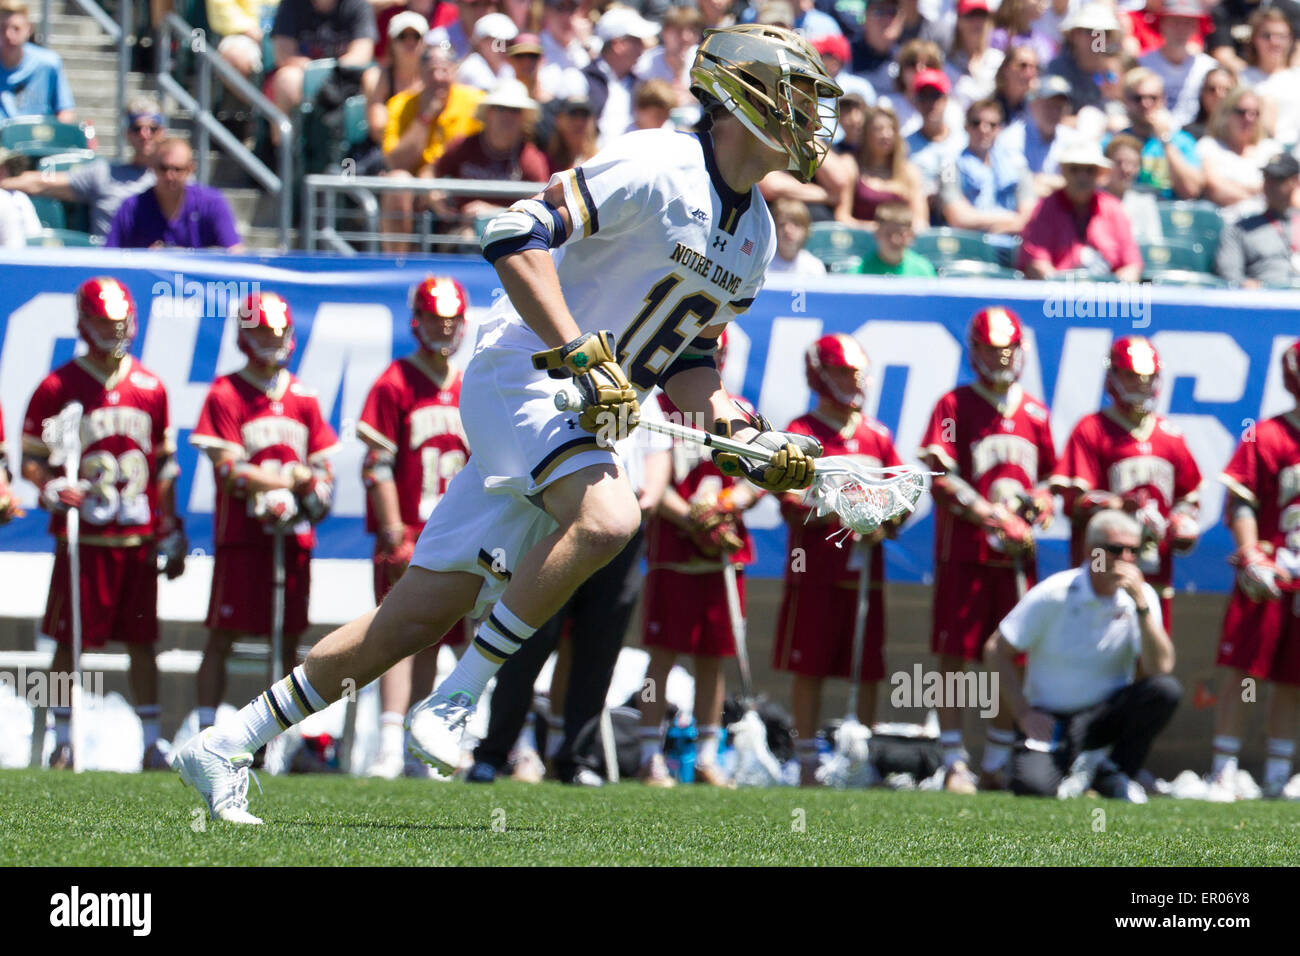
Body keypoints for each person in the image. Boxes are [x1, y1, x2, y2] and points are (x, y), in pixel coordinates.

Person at [171, 23, 842, 824]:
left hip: (585, 412)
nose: (811, 120)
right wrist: (580, 353)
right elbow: (510, 233)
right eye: (798, 96)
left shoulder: (757, 235)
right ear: (744, 93)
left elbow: (689, 363)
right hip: (525, 370)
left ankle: (225, 742)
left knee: (412, 619)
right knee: (609, 517)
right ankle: (457, 701)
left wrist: (748, 437)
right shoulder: (660, 164)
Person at [20, 277, 185, 770]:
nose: (114, 331)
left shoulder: (151, 387)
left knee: (142, 642)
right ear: (83, 322)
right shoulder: (58, 386)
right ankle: (60, 737)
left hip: (134, 537)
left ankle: (152, 740)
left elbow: (163, 467)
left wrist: (170, 524)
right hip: (83, 539)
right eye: (104, 322)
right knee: (68, 644)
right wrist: (48, 486)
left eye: (120, 321)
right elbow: (32, 458)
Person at [470, 394, 672, 786]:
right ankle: (495, 753)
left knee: (599, 648)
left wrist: (650, 495)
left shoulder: (639, 386)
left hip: (621, 533)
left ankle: (576, 759)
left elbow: (658, 446)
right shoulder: (557, 383)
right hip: (558, 524)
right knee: (526, 641)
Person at [188, 292, 340, 743]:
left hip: (293, 537)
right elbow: (228, 469)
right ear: (243, 334)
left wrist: (309, 486)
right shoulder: (225, 392)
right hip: (242, 535)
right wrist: (282, 483)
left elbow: (324, 471)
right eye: (261, 331)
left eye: (276, 331)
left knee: (288, 638)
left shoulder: (304, 398)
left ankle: (274, 735)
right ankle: (203, 728)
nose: (271, 340)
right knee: (223, 632)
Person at [918, 306, 1056, 793]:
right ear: (973, 350)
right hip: (965, 552)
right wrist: (988, 513)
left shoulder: (1036, 413)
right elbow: (939, 473)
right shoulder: (953, 405)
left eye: (1008, 349)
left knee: (1012, 654)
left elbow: (1051, 482)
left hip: (1016, 558)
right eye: (991, 348)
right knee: (954, 655)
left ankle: (998, 756)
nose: (1000, 357)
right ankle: (952, 755)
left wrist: (1037, 504)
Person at [774, 334, 904, 786]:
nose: (852, 381)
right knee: (808, 663)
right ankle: (807, 755)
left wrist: (886, 519)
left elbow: (901, 493)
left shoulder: (877, 435)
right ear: (820, 374)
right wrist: (842, 510)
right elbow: (789, 500)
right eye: (842, 372)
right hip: (816, 568)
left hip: (865, 571)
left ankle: (859, 752)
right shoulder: (802, 431)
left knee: (866, 664)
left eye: (856, 372)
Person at [357, 277, 472, 779]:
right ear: (416, 322)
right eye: (434, 320)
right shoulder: (395, 381)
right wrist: (394, 530)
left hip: (457, 534)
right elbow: (377, 464)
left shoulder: (472, 382)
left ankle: (416, 741)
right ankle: (387, 740)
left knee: (437, 636)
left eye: (450, 321)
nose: (443, 329)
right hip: (409, 530)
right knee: (396, 635)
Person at [986, 510, 1180, 802]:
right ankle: (1087, 771)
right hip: (1052, 720)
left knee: (1165, 691)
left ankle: (1114, 772)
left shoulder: (1142, 597)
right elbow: (996, 649)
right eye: (1116, 550)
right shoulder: (1055, 592)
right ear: (1091, 552)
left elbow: (1160, 667)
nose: (1126, 559)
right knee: (1033, 789)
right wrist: (1023, 712)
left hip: (1103, 718)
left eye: (1134, 551)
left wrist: (1141, 606)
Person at [637, 331, 758, 788]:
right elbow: (654, 479)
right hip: (675, 547)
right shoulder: (657, 408)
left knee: (714, 657)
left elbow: (757, 475)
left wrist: (728, 506)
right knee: (662, 656)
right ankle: (650, 752)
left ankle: (708, 755)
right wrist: (693, 519)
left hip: (724, 550)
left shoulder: (739, 409)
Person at [1050, 336, 1201, 635]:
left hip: (1154, 565)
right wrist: (1117, 505)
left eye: (1147, 378)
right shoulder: (1091, 429)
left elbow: (1188, 497)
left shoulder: (1170, 435)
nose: (1141, 385)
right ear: (1113, 376)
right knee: (1098, 653)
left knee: (1151, 655)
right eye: (1132, 376)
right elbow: (1074, 503)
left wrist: (1182, 521)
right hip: (1104, 568)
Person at [1209, 341, 1300, 800]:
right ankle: (1224, 768)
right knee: (1246, 673)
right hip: (1271, 573)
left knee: (1294, 679)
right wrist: (1250, 554)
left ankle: (1278, 773)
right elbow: (1241, 499)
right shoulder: (1264, 436)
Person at [1, 96, 164, 239]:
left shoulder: (172, 178)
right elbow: (41, 182)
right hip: (109, 264)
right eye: (137, 128)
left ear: (162, 132)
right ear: (127, 133)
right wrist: (5, 183)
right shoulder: (104, 172)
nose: (145, 134)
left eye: (152, 128)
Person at [380, 42, 484, 250]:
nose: (438, 78)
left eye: (444, 70)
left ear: (454, 71)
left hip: (463, 188)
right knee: (397, 181)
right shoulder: (400, 105)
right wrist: (424, 117)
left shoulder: (477, 102)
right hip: (416, 193)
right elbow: (395, 162)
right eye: (431, 71)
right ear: (419, 73)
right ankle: (396, 267)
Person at [432, 79, 549, 231]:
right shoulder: (463, 146)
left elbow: (542, 205)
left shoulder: (531, 159)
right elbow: (431, 171)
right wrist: (433, 196)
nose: (507, 116)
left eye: (515, 110)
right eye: (500, 108)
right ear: (487, 113)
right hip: (458, 231)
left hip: (509, 236)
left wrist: (494, 212)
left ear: (523, 119)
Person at [1018, 140, 1143, 281]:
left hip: (1107, 296)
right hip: (1057, 295)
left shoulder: (1114, 209)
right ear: (1064, 172)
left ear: (1098, 175)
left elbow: (1132, 264)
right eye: (1075, 169)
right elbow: (1036, 263)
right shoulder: (1044, 209)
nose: (1082, 177)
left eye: (1089, 171)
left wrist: (1116, 290)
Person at [105, 138, 244, 251]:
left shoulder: (212, 202)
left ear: (190, 169)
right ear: (152, 167)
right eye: (163, 168)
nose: (169, 176)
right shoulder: (131, 207)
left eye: (177, 169)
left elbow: (235, 253)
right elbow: (109, 257)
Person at [267, 0, 377, 138]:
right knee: (286, 80)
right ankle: (284, 153)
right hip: (304, 76)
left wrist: (331, 74)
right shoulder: (291, 4)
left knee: (374, 79)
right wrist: (316, 75)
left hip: (343, 78)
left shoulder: (357, 4)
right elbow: (283, 54)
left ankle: (366, 152)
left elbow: (362, 54)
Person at [937, 97, 1036, 235]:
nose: (984, 129)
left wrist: (1001, 227)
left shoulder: (1016, 165)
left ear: (1000, 129)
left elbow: (1030, 217)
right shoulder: (949, 166)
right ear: (966, 127)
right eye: (976, 123)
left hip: (1010, 244)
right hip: (970, 246)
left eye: (992, 124)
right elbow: (958, 217)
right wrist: (1010, 218)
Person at [1116, 67, 1205, 201]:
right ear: (1126, 101)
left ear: (1163, 100)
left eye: (1153, 98)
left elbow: (1191, 190)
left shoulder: (1182, 141)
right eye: (1138, 98)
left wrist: (1165, 141)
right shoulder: (1116, 143)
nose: (1146, 104)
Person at [1215, 151, 1300, 287]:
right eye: (1267, 177)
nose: (1270, 184)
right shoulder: (1240, 229)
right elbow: (1229, 275)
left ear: (1295, 181)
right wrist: (1244, 284)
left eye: (1278, 179)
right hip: (1264, 300)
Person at [837, 105, 926, 232]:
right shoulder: (851, 166)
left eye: (891, 129)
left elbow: (921, 222)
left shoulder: (910, 172)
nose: (886, 135)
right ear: (866, 133)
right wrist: (879, 230)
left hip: (900, 246)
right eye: (878, 129)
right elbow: (842, 217)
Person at [1197, 86, 1282, 215]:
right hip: (1227, 224)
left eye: (1255, 113)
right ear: (1226, 114)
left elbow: (1285, 189)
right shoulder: (1209, 146)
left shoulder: (1271, 148)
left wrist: (1234, 185)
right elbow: (1215, 188)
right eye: (1241, 112)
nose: (1249, 118)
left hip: (1268, 226)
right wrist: (1261, 194)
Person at [581, 6, 657, 148]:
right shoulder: (583, 80)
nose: (643, 46)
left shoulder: (641, 85)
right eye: (636, 41)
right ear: (618, 45)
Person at [360, 11, 428, 168]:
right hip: (385, 156)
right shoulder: (375, 77)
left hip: (424, 153)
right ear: (391, 42)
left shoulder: (435, 78)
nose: (410, 42)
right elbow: (378, 129)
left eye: (416, 37)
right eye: (403, 36)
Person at [1138, 0, 1218, 130]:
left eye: (1187, 22)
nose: (1181, 29)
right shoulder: (1143, 63)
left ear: (1196, 27)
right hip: (1150, 133)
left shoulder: (1209, 67)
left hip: (1197, 136)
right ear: (1161, 23)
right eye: (1175, 21)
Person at [998, 73, 1078, 196]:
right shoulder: (1011, 138)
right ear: (1032, 105)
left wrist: (1041, 180)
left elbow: (1081, 183)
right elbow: (1015, 184)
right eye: (1048, 105)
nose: (1054, 112)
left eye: (1059, 107)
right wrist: (1060, 184)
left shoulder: (1072, 138)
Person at [905, 68, 967, 217]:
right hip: (920, 217)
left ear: (946, 100)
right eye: (923, 97)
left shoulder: (963, 140)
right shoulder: (905, 146)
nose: (930, 103)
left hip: (959, 214)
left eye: (935, 96)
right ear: (915, 102)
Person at [0, 0, 74, 122]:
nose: (9, 35)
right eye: (2, 29)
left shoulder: (48, 63)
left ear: (28, 29)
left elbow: (65, 112)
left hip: (38, 137)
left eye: (16, 28)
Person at [1239, 8, 1300, 150]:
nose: (1274, 42)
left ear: (1291, 40)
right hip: (1255, 153)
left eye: (1281, 36)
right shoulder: (1240, 78)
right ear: (1254, 39)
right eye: (1266, 36)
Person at [1045, 1, 1122, 114]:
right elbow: (1050, 117)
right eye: (1090, 31)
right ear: (1074, 35)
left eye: (1103, 32)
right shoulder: (1056, 70)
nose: (1097, 38)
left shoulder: (1115, 71)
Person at [1103, 134, 1163, 243]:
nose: (1126, 169)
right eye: (1119, 163)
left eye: (1133, 164)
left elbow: (1154, 245)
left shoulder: (1145, 203)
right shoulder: (1093, 200)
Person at [945, 0, 1003, 108]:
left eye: (982, 15)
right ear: (959, 20)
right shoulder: (947, 64)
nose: (977, 21)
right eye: (971, 15)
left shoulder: (999, 60)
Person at [857, 199, 937, 275]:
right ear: (877, 233)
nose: (894, 240)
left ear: (911, 235)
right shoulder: (860, 271)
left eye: (901, 234)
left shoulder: (923, 271)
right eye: (888, 233)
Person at [456, 12, 517, 91]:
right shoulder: (472, 68)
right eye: (498, 43)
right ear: (481, 43)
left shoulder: (507, 69)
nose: (503, 48)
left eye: (507, 43)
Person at [769, 196, 826, 274]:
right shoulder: (762, 265)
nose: (787, 230)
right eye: (782, 224)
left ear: (806, 230)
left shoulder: (814, 267)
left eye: (796, 224)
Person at [543, 94, 597, 174]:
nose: (579, 122)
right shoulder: (546, 163)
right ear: (559, 119)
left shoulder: (599, 162)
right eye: (573, 114)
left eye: (585, 115)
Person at [990, 41, 1038, 128]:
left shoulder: (1037, 111)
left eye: (1033, 67)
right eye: (1023, 65)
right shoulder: (988, 106)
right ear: (1005, 69)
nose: (1029, 73)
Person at [1181, 64, 1235, 141]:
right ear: (1203, 94)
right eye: (1212, 89)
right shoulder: (1187, 134)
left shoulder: (1245, 133)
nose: (1219, 95)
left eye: (1226, 90)